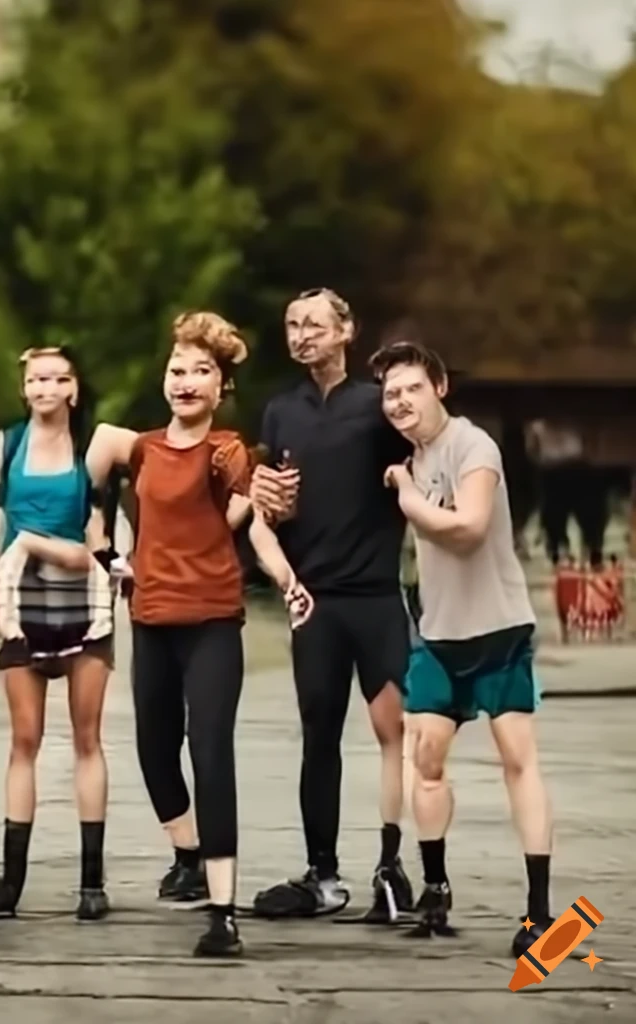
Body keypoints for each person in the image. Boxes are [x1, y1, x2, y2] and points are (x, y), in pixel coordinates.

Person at [87, 311, 293, 958]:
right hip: (149, 619)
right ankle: (188, 852)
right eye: (178, 369)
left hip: (209, 620)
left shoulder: (228, 450)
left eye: (202, 372)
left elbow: (257, 501)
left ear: (221, 386)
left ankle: (223, 912)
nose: (186, 381)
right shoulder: (142, 447)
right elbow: (93, 459)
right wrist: (104, 552)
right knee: (153, 752)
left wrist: (277, 517)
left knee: (210, 752)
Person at [370, 340, 554, 956]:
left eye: (412, 389)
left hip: (499, 629)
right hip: (440, 635)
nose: (401, 402)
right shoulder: (411, 461)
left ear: (439, 388)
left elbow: (470, 528)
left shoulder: (474, 446)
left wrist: (409, 498)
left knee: (516, 759)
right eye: (391, 394)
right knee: (425, 760)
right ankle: (436, 888)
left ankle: (539, 913)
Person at [249, 288, 416, 923]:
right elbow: (265, 506)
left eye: (314, 324)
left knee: (394, 734)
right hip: (314, 603)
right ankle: (322, 875)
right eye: (292, 324)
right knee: (318, 736)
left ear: (347, 331)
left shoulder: (379, 407)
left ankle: (393, 864)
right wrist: (271, 506)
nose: (301, 335)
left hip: (374, 596)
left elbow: (421, 467)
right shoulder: (280, 412)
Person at [0, 346, 116, 921]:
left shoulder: (93, 452)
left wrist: (39, 543)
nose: (47, 387)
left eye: (59, 378)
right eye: (36, 378)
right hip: (19, 598)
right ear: (24, 387)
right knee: (24, 740)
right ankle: (11, 880)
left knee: (87, 738)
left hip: (82, 596)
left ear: (74, 390)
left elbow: (95, 546)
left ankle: (90, 881)